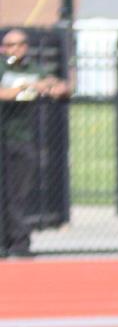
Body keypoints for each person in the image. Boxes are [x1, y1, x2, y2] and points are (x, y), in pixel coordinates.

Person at [1, 26, 70, 257]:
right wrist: (28, 87)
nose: (15, 49)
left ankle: (18, 244)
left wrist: (56, 87)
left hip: (20, 140)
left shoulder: (33, 69)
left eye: (20, 44)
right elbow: (5, 93)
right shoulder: (3, 68)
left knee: (16, 194)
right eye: (10, 45)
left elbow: (59, 87)